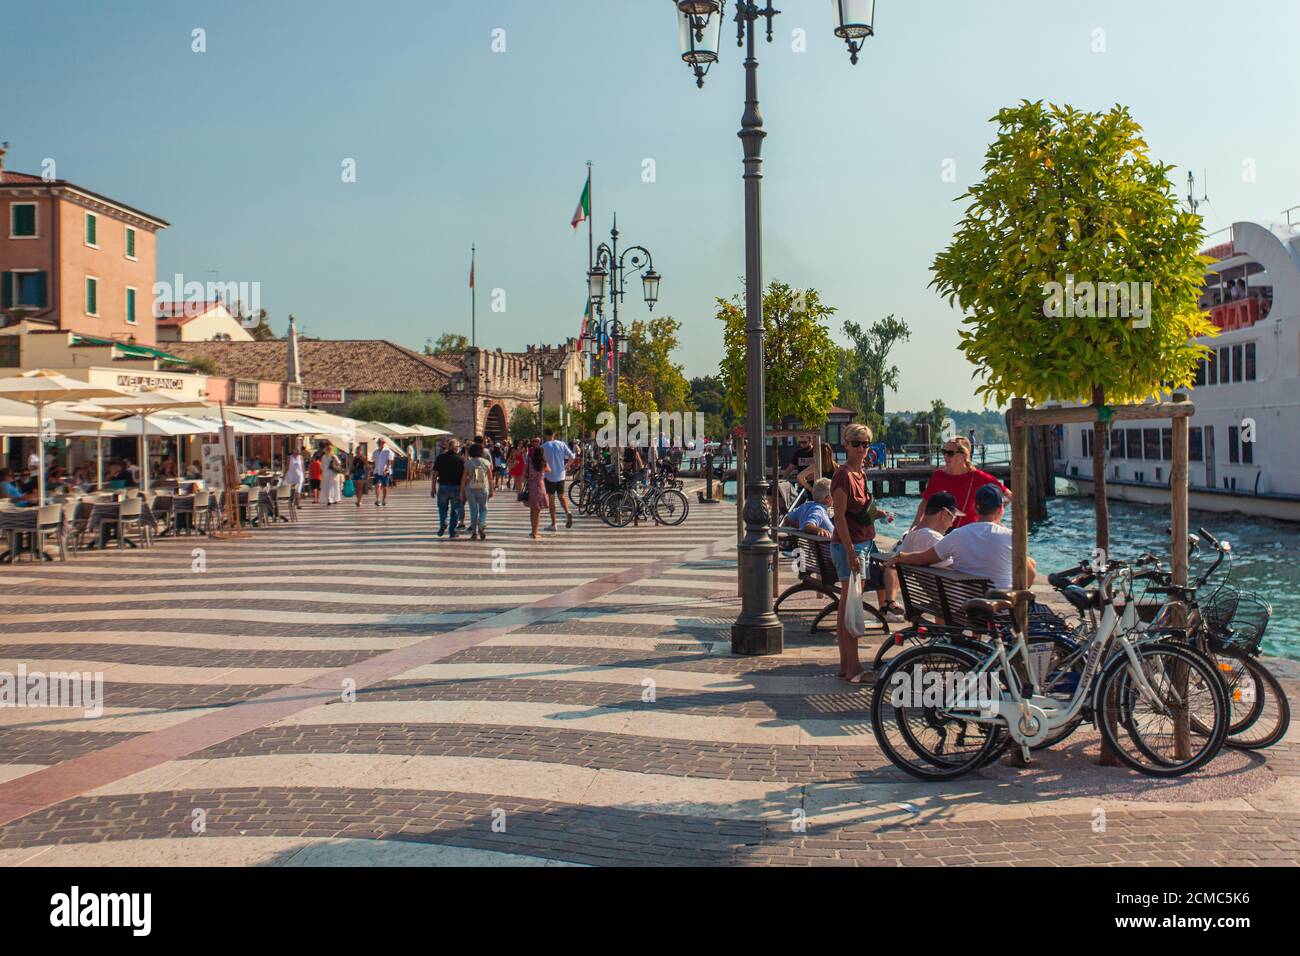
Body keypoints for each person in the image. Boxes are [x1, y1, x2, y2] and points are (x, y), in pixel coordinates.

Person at [829, 423, 895, 682]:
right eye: (855, 443)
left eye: (865, 444)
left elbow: (857, 512)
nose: (861, 449)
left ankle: (847, 667)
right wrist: (850, 552)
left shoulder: (861, 474)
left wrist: (876, 514)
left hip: (862, 544)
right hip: (852, 547)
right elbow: (840, 518)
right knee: (851, 608)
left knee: (848, 606)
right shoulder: (843, 475)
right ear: (845, 444)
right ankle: (853, 668)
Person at [890, 485, 1034, 591]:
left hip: (968, 609)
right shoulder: (1010, 536)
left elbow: (923, 558)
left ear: (976, 508)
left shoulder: (957, 535)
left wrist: (900, 557)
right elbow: (1031, 574)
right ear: (1001, 509)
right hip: (1003, 609)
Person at [912, 435, 1009, 531]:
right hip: (942, 534)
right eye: (944, 452)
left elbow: (1009, 496)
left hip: (970, 533)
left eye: (950, 453)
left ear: (964, 455)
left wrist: (993, 518)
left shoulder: (979, 477)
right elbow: (925, 503)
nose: (945, 456)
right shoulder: (938, 476)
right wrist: (915, 525)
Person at [540, 427, 576, 531]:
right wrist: (566, 466)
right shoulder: (561, 444)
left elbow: (541, 463)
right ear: (554, 434)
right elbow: (572, 457)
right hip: (561, 475)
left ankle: (554, 524)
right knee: (561, 496)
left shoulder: (543, 447)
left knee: (551, 499)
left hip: (549, 476)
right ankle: (568, 512)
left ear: (546, 435)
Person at [461, 441, 494, 540]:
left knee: (473, 510)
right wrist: (492, 490)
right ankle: (481, 524)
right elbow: (490, 478)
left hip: (470, 489)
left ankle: (474, 532)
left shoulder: (468, 463)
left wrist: (461, 491)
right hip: (483, 488)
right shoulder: (486, 462)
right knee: (484, 509)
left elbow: (463, 478)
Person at [432, 438, 465, 537]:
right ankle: (452, 531)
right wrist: (463, 491)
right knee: (455, 510)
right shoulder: (460, 460)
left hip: (443, 486)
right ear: (456, 448)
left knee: (442, 508)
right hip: (456, 487)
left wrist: (433, 488)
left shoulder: (440, 457)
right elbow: (464, 477)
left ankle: (443, 523)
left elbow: (434, 474)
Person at [524, 443, 550, 539]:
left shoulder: (529, 463)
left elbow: (524, 475)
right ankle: (535, 533)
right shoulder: (543, 463)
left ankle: (532, 531)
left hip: (531, 487)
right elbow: (549, 470)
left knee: (532, 511)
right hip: (540, 486)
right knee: (537, 512)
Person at [372, 438, 395, 508]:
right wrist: (372, 470)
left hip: (384, 471)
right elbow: (373, 462)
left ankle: (384, 499)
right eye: (378, 443)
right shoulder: (375, 452)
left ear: (384, 443)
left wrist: (387, 469)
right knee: (377, 485)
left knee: (384, 486)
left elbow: (390, 461)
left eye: (381, 443)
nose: (379, 444)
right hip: (376, 471)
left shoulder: (388, 451)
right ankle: (377, 499)